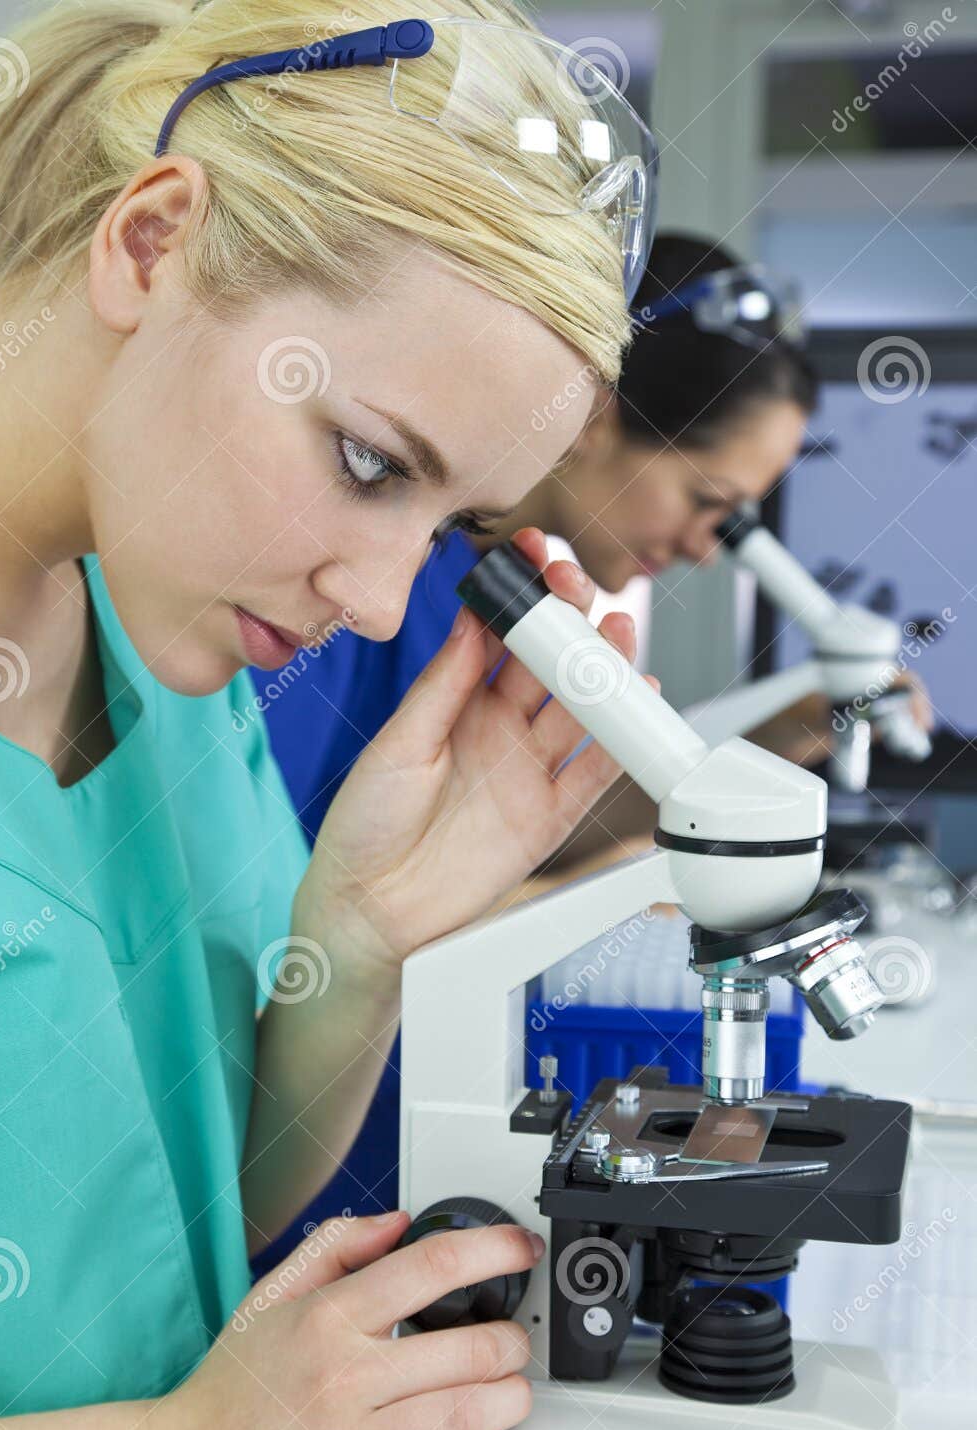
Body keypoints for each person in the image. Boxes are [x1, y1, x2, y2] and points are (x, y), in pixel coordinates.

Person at [0, 0, 659, 1430]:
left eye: (449, 515)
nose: (386, 604)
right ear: (155, 242)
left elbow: (170, 1197)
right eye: (373, 462)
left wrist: (363, 935)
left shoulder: (145, 619)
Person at [256, 231, 860, 1259]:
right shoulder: (357, 594)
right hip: (284, 1135)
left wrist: (779, 744)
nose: (709, 547)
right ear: (596, 418)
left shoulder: (507, 600)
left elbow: (525, 831)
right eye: (707, 500)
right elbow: (295, 909)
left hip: (374, 1123)